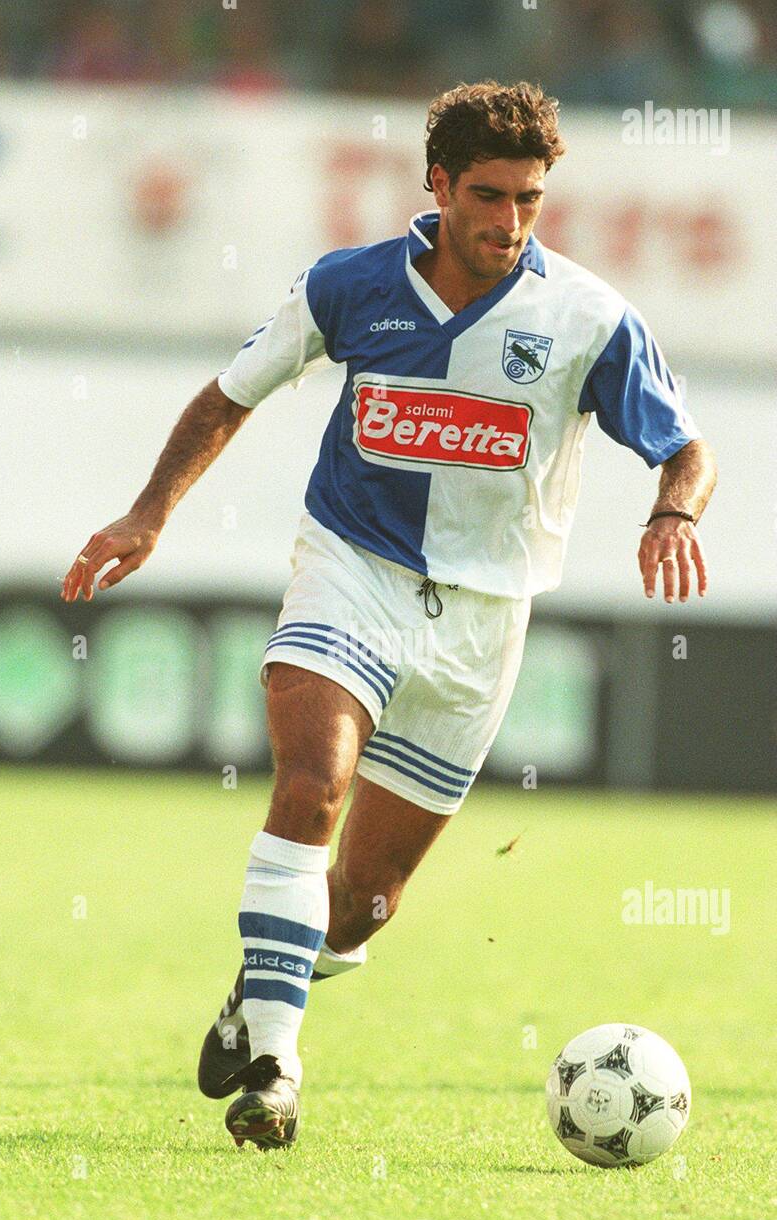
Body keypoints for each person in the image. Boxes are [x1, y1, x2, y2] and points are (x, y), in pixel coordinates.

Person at [62, 80, 716, 1152]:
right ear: (439, 185)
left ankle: (258, 985)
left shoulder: (588, 319)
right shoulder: (347, 286)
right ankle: (275, 1063)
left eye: (531, 200)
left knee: (363, 902)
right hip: (351, 569)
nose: (508, 221)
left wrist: (673, 508)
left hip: (483, 621)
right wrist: (147, 514)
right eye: (490, 196)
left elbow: (685, 445)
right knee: (311, 784)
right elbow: (230, 395)